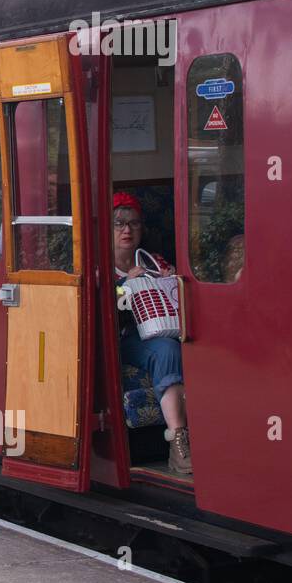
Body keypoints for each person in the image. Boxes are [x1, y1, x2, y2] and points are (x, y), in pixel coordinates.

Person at [112, 190, 191, 475]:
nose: (127, 230)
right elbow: (100, 310)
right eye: (119, 224)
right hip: (122, 337)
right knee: (167, 350)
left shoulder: (152, 260)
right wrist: (123, 284)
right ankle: (178, 441)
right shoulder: (97, 263)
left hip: (162, 327)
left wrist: (170, 279)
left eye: (133, 223)